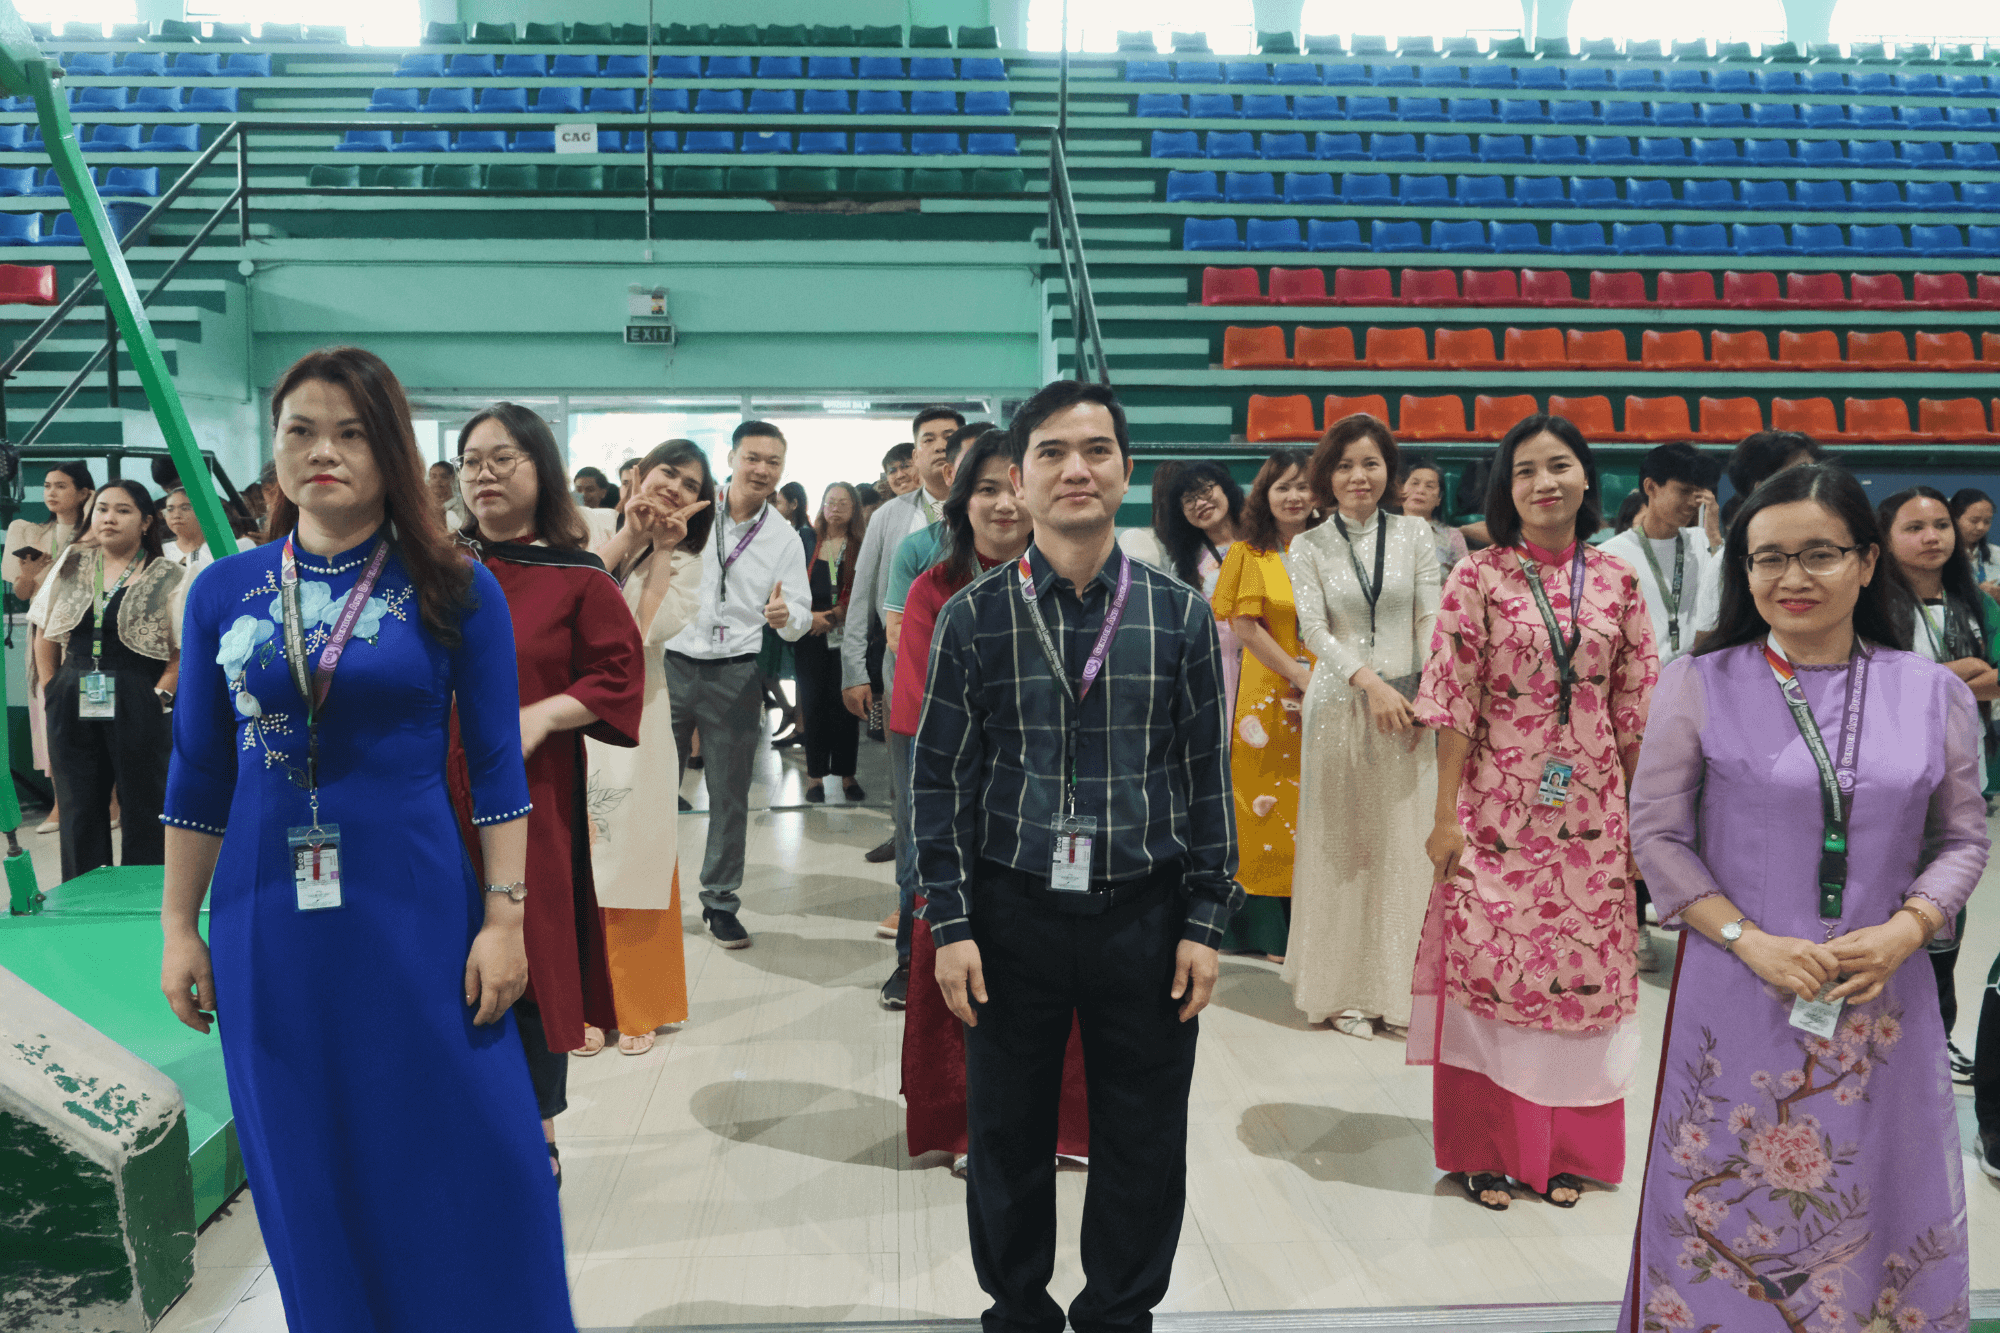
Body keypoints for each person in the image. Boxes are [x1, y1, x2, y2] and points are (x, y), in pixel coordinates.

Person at [159, 346, 573, 1330]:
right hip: (269, 920)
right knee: (307, 1154)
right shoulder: (225, 590)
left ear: (389, 449)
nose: (323, 452)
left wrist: (503, 920)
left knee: (474, 1144)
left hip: (419, 909)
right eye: (300, 430)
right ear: (273, 449)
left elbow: (499, 769)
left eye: (350, 432)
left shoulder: (455, 589)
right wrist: (180, 925)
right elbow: (198, 771)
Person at [1618, 463, 1988, 1333]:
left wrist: (1911, 926)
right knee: (1730, 1202)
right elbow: (1657, 837)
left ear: (1866, 562)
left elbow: (1963, 839)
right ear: (1742, 570)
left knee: (1876, 1198)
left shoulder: (1930, 690)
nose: (1791, 577)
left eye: (1817, 554)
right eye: (1767, 557)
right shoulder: (1698, 682)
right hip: (1738, 990)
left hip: (1881, 995)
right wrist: (1748, 938)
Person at [915, 379, 1241, 1333]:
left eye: (1096, 450)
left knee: (1142, 1134)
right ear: (1018, 477)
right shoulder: (973, 616)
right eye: (1053, 451)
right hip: (1010, 912)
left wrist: (1206, 921)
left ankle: (1119, 1313)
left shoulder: (1178, 615)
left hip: (1144, 911)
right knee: (1007, 1132)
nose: (1076, 469)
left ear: (1125, 472)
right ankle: (1016, 1310)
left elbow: (1204, 781)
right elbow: (935, 783)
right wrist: (952, 924)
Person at [1413, 413, 1659, 1211]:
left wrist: (1644, 828)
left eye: (1559, 466)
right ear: (1505, 487)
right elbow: (1452, 701)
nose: (1543, 483)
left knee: (1576, 978)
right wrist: (1445, 814)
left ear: (1588, 479)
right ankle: (1486, 1148)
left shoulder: (1619, 582)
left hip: (1592, 810)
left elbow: (1637, 712)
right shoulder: (1477, 576)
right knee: (1491, 971)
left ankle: (1561, 1149)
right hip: (1493, 809)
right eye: (1524, 471)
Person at [447, 402, 645, 1181]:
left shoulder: (577, 575)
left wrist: (545, 715)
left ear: (542, 470)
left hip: (531, 801)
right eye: (472, 461)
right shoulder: (435, 567)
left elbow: (618, 673)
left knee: (525, 952)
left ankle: (540, 1136)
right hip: (427, 794)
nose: (485, 474)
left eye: (505, 458)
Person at [892, 426, 1086, 1171]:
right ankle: (977, 1128)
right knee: (972, 969)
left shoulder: (1079, 580)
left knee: (1064, 973)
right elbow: (920, 720)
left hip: (1066, 812)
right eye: (985, 489)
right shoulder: (934, 589)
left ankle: (1066, 1129)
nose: (1004, 504)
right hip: (970, 812)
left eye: (1014, 487)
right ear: (960, 500)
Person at [1284, 415, 1440, 1033]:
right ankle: (1342, 988)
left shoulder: (1416, 534)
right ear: (1328, 474)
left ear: (1388, 471)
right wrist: (1371, 684)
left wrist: (1428, 683)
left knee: (1405, 847)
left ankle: (1400, 991)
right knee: (1344, 849)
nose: (1359, 476)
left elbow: (1431, 609)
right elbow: (1314, 630)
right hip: (1342, 706)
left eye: (1370, 463)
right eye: (1345, 465)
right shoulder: (1308, 545)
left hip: (1412, 706)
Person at [663, 420, 811, 949]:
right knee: (657, 788)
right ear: (731, 458)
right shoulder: (696, 512)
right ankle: (648, 898)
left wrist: (784, 614)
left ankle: (720, 901)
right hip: (672, 662)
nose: (762, 469)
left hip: (737, 671)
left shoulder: (783, 536)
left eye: (773, 462)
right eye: (753, 457)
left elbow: (800, 612)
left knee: (729, 795)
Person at [587, 440, 711, 1055]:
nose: (675, 488)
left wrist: (659, 551)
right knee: (572, 860)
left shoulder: (689, 563)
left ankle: (638, 1006)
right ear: (638, 474)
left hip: (639, 714)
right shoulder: (583, 531)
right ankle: (583, 1004)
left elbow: (636, 634)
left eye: (689, 484)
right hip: (564, 718)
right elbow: (569, 600)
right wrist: (628, 539)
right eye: (668, 472)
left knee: (636, 854)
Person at [1877, 484, 1997, 1081]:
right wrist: (1951, 678)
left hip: (1962, 770)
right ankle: (1891, 1037)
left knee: (1949, 908)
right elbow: (1871, 683)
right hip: (1894, 777)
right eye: (1915, 527)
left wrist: (1965, 681)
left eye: (1941, 525)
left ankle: (1937, 1036)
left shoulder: (1972, 602)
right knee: (1896, 905)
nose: (1933, 538)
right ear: (1883, 538)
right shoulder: (1875, 607)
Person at [842, 406, 966, 982]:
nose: (940, 449)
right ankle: (910, 955)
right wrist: (854, 668)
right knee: (914, 819)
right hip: (907, 691)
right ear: (913, 455)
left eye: (950, 439)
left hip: (986, 705)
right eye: (928, 441)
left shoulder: (1009, 519)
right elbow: (866, 596)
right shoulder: (895, 519)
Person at [35, 480, 184, 881]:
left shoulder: (170, 574)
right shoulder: (70, 562)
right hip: (72, 689)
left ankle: (143, 893)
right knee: (78, 801)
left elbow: (181, 648)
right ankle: (84, 892)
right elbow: (45, 631)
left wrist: (161, 693)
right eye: (102, 508)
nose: (109, 518)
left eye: (122, 510)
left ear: (146, 521)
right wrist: (51, 688)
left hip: (138, 690)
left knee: (145, 802)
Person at [1211, 448, 1321, 961]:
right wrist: (1299, 673)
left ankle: (1314, 931)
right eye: (1283, 487)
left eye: (1303, 485)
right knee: (1263, 812)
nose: (1295, 496)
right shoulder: (1247, 554)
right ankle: (1266, 936)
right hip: (1267, 700)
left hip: (1332, 691)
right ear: (1265, 495)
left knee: (1319, 809)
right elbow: (1244, 628)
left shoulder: (1335, 550)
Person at [7, 461, 94, 835]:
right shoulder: (29, 533)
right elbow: (23, 594)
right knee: (50, 711)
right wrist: (28, 574)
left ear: (84, 492)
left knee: (93, 710)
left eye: (61, 485)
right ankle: (62, 802)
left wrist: (92, 512)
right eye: (46, 485)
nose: (51, 493)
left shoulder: (95, 533)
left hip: (84, 633)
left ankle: (110, 801)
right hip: (43, 632)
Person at [1690, 430, 1826, 633]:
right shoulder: (1728, 563)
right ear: (1761, 488)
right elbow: (1706, 640)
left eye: (1816, 471)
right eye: (1800, 472)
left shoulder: (1834, 547)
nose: (1814, 481)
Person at [1160, 461, 1248, 724]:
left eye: (1206, 491)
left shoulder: (1263, 539)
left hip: (1268, 659)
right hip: (1215, 668)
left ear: (1226, 489)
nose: (1200, 503)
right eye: (1189, 500)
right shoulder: (1185, 563)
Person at [796, 482, 865, 803]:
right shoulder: (807, 541)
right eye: (830, 501)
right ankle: (815, 778)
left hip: (845, 632)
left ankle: (847, 775)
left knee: (845, 705)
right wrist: (811, 618)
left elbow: (865, 591)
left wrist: (835, 615)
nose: (835, 508)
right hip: (809, 633)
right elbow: (791, 584)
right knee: (812, 704)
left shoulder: (860, 545)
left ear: (854, 510)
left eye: (843, 503)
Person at [760, 479, 814, 749]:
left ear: (793, 505)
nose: (773, 507)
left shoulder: (800, 535)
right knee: (769, 671)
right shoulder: (791, 532)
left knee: (779, 671)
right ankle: (792, 714)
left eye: (777, 502)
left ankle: (796, 718)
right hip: (781, 612)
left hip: (790, 613)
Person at [1396, 454, 1467, 579]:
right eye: (1414, 483)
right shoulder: (1381, 528)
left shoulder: (1452, 536)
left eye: (1429, 486)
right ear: (1401, 491)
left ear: (1439, 499)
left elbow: (1465, 582)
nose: (1421, 491)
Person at [161, 485, 258, 576]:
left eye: (186, 508)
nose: (176, 515)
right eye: (170, 509)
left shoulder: (230, 549)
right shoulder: (160, 551)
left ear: (205, 512)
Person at [1951, 486, 2000, 599]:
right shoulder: (1941, 556)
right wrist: (1977, 593)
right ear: (1954, 518)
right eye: (1974, 520)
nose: (1981, 527)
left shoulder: (1996, 554)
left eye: (1987, 521)